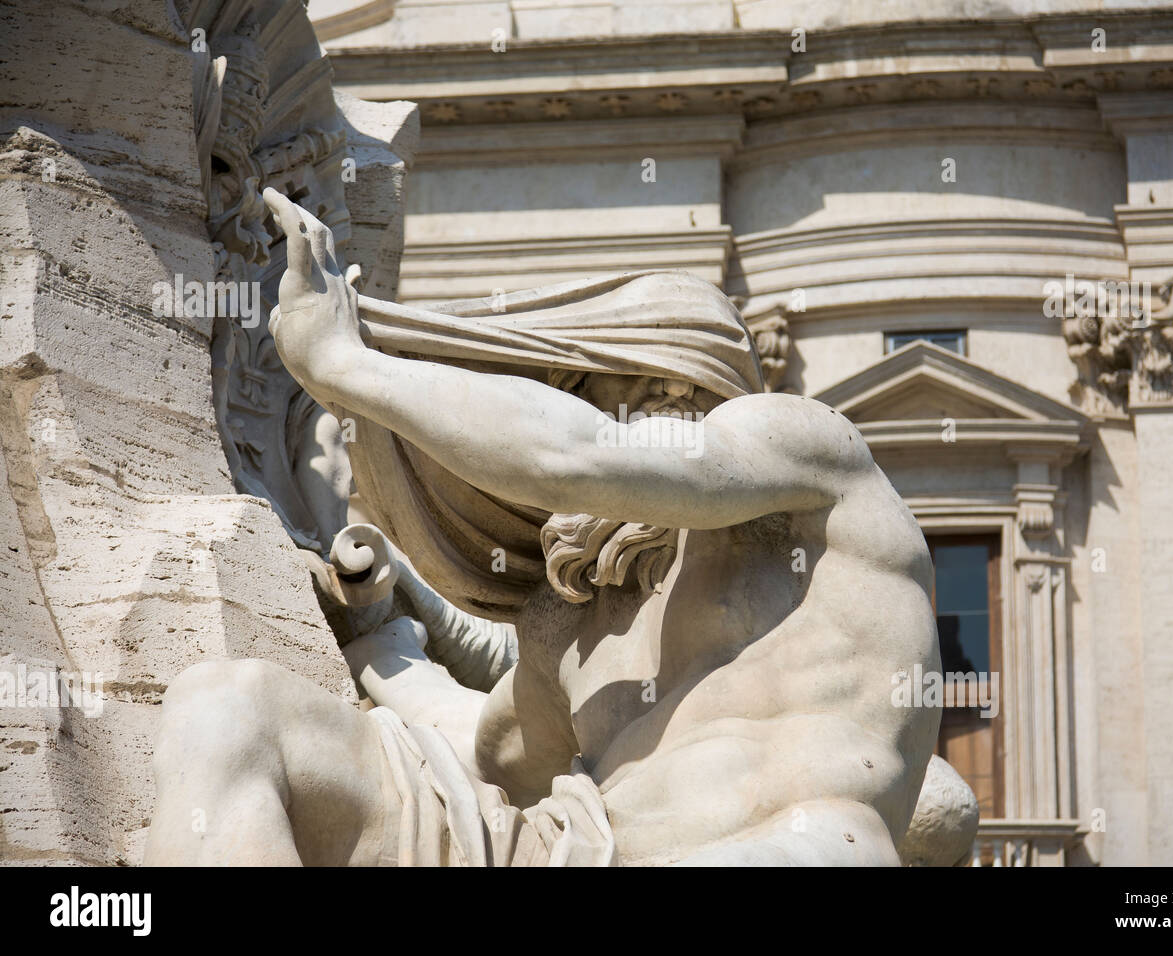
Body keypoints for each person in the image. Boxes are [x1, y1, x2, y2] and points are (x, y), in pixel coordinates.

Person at [144, 187, 941, 866]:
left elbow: (578, 454)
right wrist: (382, 630)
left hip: (788, 849)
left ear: (665, 388)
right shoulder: (573, 619)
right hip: (573, 848)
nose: (515, 443)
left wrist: (347, 367)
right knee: (226, 706)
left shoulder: (808, 466)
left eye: (570, 389)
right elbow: (483, 746)